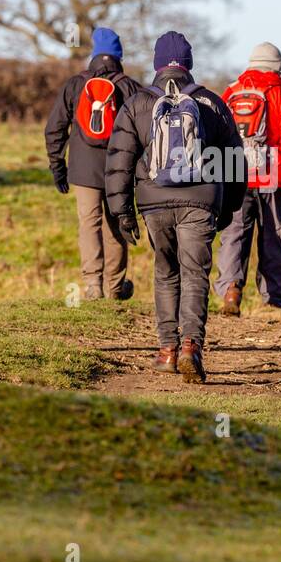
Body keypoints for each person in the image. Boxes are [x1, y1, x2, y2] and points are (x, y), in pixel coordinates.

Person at [104, 31, 246, 383]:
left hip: (155, 204)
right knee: (196, 274)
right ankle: (190, 347)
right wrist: (227, 208)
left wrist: (122, 211)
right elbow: (235, 161)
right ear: (189, 64)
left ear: (156, 64)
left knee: (166, 273)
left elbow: (119, 160)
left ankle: (166, 351)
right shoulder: (212, 103)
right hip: (201, 201)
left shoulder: (137, 103)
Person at [44, 27, 143, 301]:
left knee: (89, 223)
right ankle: (114, 288)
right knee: (116, 223)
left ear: (94, 53)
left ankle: (92, 286)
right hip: (119, 169)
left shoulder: (76, 84)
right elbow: (146, 131)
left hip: (82, 167)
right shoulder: (130, 87)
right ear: (119, 55)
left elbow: (54, 128)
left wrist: (57, 166)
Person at [215, 41, 281, 317]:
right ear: (277, 66)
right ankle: (274, 300)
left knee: (233, 234)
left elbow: (217, 134)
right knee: (272, 237)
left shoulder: (231, 91)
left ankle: (230, 289)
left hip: (235, 175)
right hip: (272, 177)